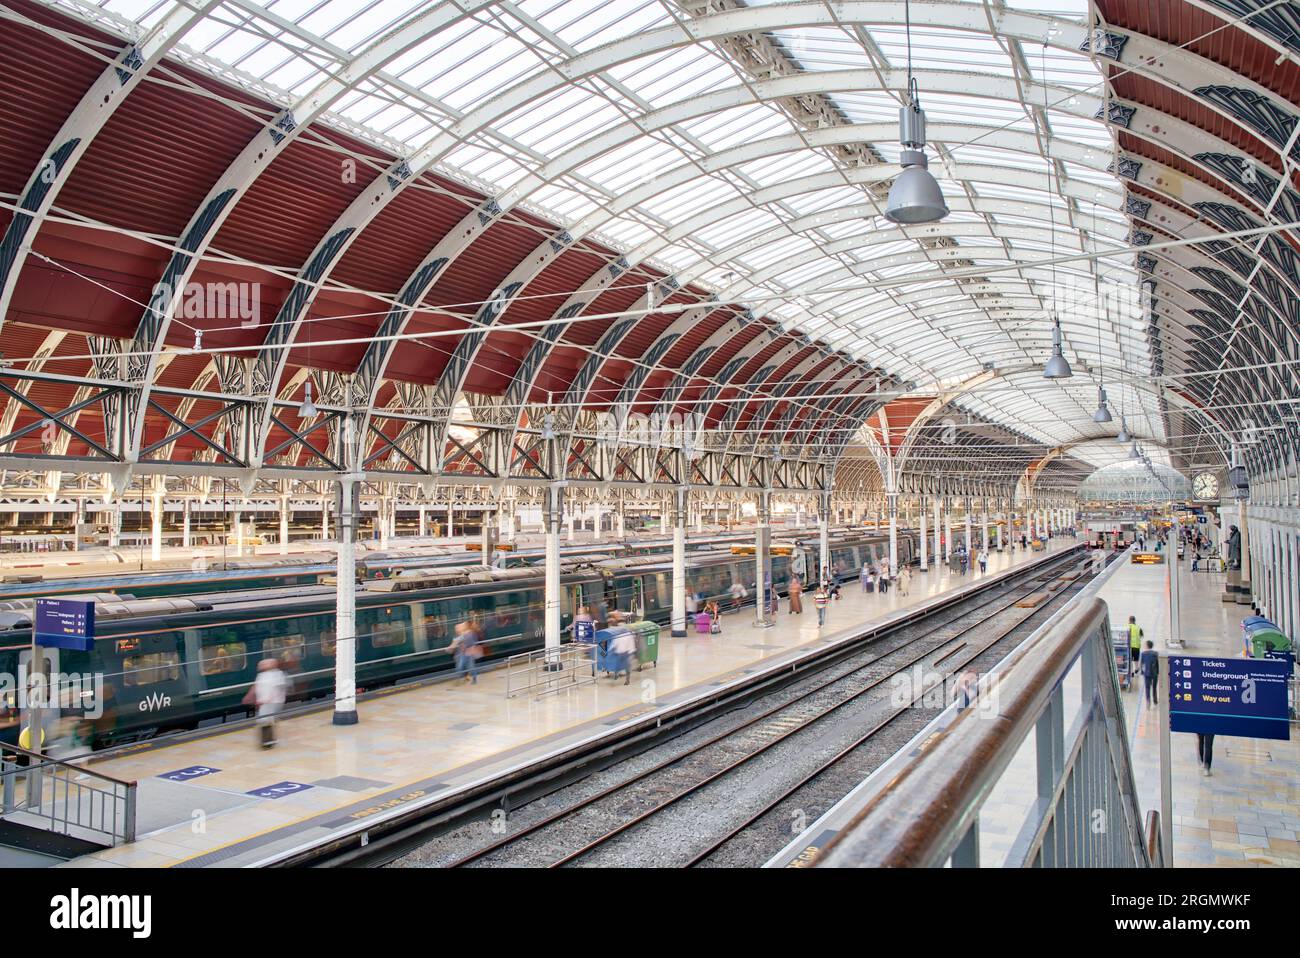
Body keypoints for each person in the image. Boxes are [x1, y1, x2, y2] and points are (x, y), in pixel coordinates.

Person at [250, 657, 287, 749]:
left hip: (273, 702)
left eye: (263, 664)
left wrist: (269, 699)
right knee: (265, 721)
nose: (261, 666)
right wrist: (252, 697)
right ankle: (268, 742)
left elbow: (278, 688)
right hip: (264, 703)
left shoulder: (278, 674)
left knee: (266, 721)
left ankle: (268, 743)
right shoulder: (261, 675)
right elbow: (256, 686)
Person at [1139, 640, 1160, 706]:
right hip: (1154, 673)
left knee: (1147, 688)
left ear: (1147, 646)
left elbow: (1142, 664)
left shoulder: (1143, 654)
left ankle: (1148, 701)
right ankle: (1155, 700)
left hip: (1147, 673)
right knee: (1154, 687)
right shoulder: (1156, 653)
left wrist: (1142, 672)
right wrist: (1158, 672)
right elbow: (1157, 664)